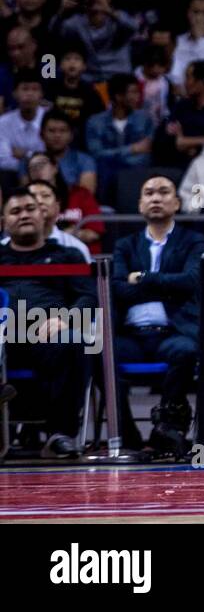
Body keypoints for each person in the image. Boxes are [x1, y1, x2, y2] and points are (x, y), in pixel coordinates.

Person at [110, 175, 204, 455]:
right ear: (140, 204)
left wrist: (142, 279)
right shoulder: (125, 245)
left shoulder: (193, 241)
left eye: (164, 192)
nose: (156, 198)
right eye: (149, 193)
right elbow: (116, 288)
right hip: (131, 335)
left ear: (176, 202)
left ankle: (163, 429)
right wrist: (165, 284)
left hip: (173, 331)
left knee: (187, 351)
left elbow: (190, 281)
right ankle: (126, 436)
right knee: (99, 353)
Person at [0, 187, 93, 458]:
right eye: (15, 211)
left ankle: (60, 435)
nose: (24, 215)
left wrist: (66, 319)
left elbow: (89, 299)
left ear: (44, 215)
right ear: (4, 222)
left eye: (30, 209)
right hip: (4, 336)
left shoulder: (68, 255)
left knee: (75, 340)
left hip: (49, 333)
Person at [0, 69, 49, 173]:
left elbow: (51, 159)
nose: (30, 94)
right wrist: (35, 161)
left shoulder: (49, 119)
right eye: (25, 89)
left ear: (42, 94)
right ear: (14, 93)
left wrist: (26, 155)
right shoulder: (3, 123)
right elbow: (3, 161)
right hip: (11, 177)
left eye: (35, 89)